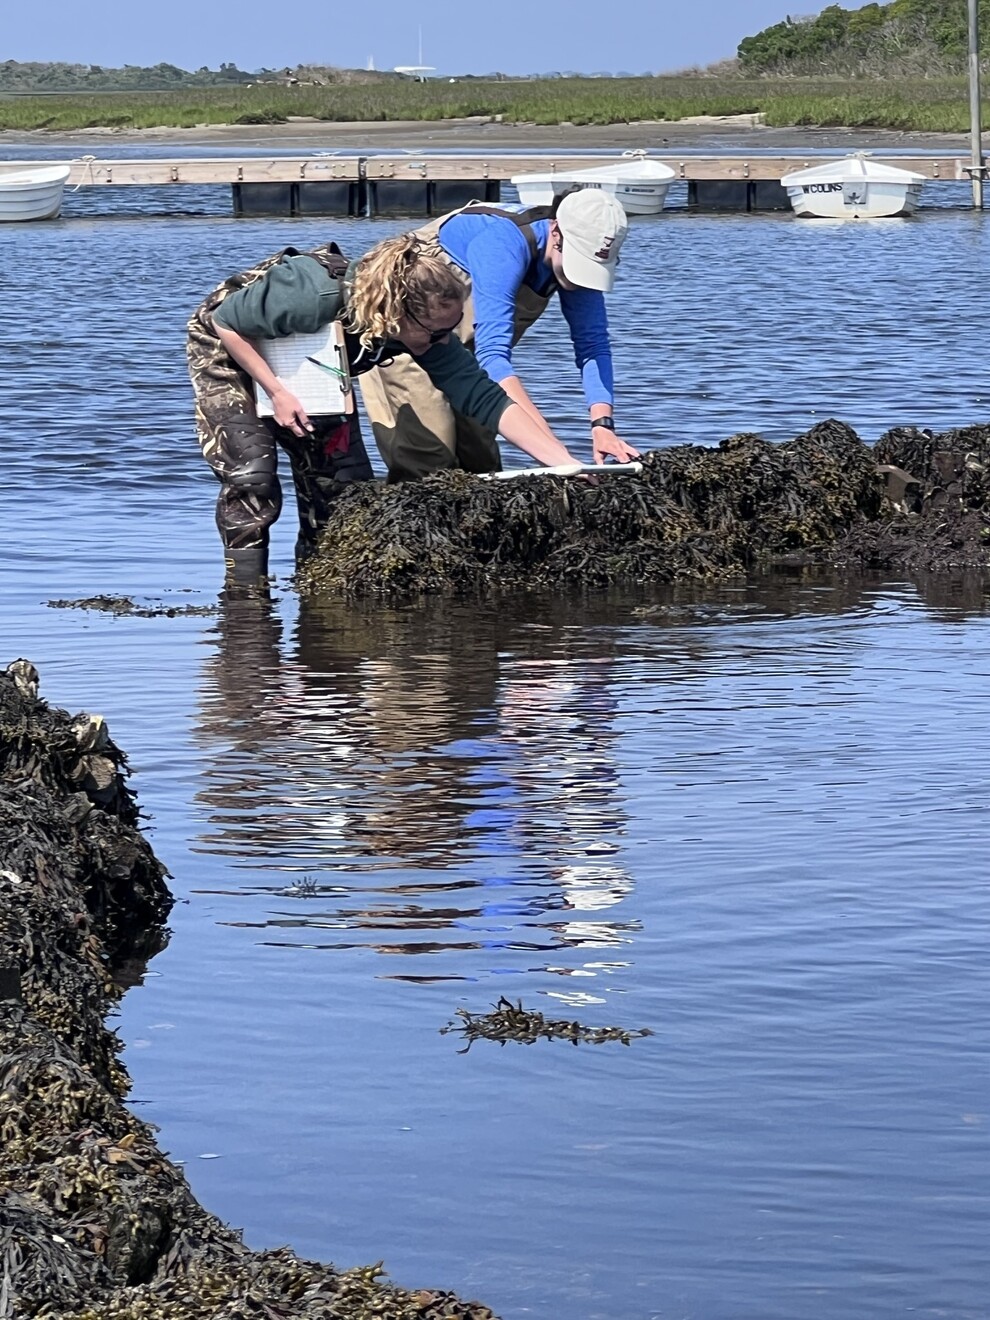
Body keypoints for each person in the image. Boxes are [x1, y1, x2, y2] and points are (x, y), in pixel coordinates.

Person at [187, 233, 588, 588]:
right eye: (435, 333)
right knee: (253, 474)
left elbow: (486, 400)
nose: (443, 341)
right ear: (396, 311)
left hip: (316, 366)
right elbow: (226, 322)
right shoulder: (317, 295)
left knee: (343, 487)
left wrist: (565, 464)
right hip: (231, 346)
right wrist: (276, 392)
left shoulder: (424, 332)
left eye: (449, 330)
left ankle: (316, 597)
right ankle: (245, 598)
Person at [357, 188, 641, 483]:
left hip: (467, 346)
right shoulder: (502, 244)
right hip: (412, 322)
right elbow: (493, 356)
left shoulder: (581, 258)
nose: (582, 277)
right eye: (579, 263)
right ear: (556, 232)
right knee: (431, 451)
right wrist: (558, 455)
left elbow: (592, 344)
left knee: (481, 455)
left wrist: (602, 426)